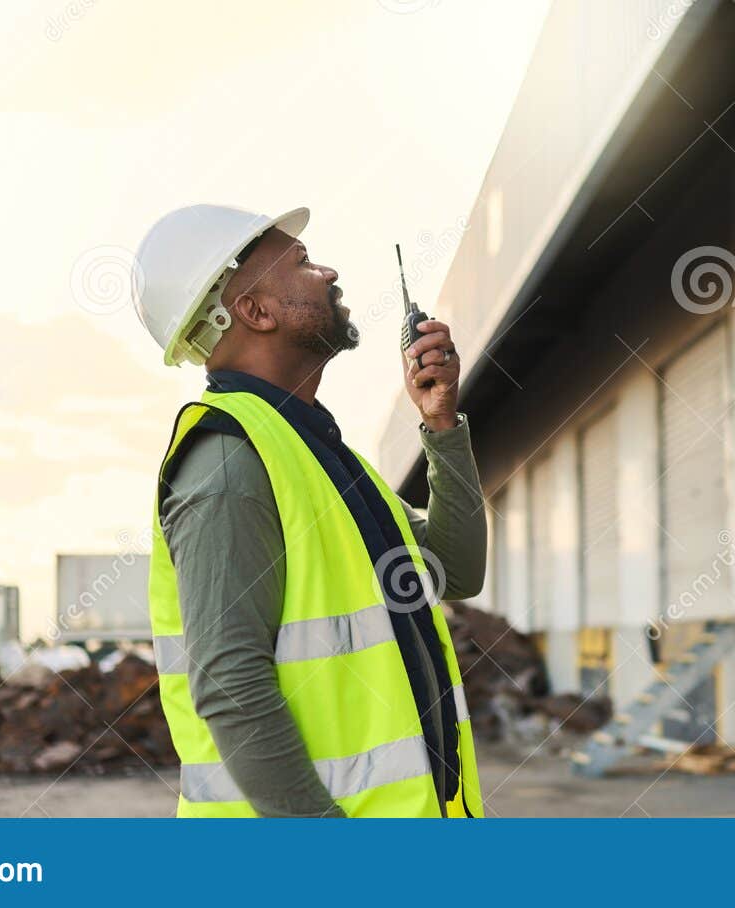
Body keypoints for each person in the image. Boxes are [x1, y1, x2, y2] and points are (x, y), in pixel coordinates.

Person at [131, 205, 484, 817]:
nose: (327, 272)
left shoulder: (319, 457)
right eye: (301, 263)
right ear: (256, 312)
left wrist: (441, 423)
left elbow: (454, 568)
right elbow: (231, 684)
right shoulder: (228, 462)